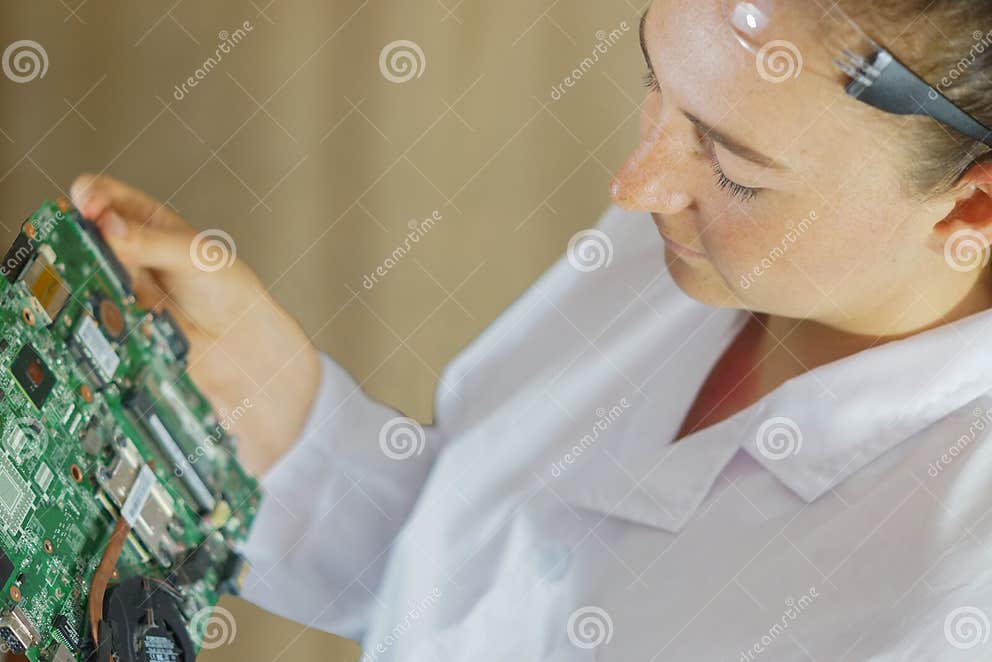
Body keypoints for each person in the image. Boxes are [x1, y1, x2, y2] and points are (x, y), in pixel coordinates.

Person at [69, 0, 992, 659]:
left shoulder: (953, 600)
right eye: (655, 85)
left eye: (735, 168)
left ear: (971, 210)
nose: (635, 186)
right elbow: (467, 577)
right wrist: (281, 416)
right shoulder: (677, 248)